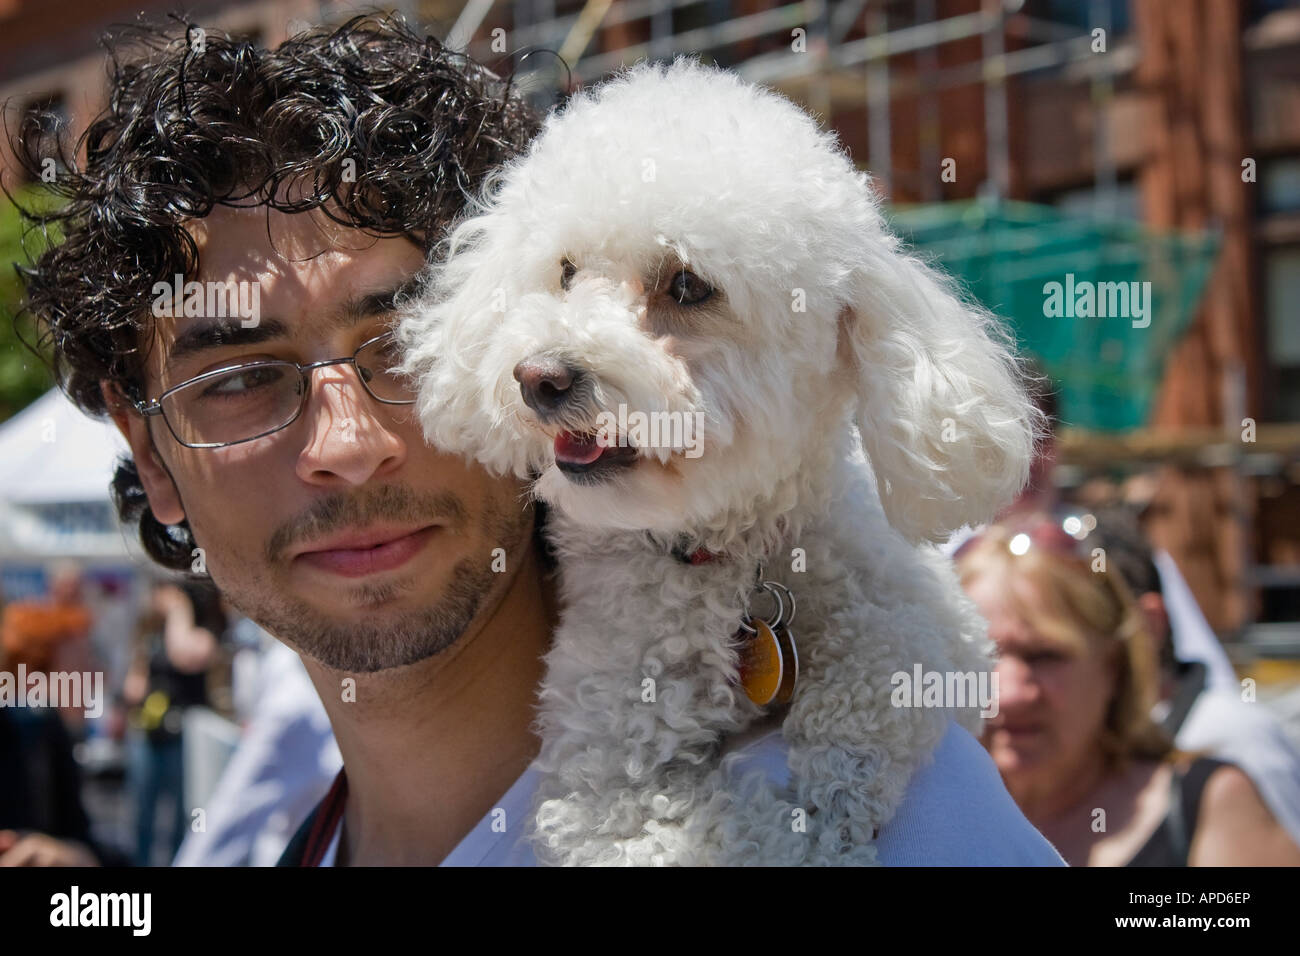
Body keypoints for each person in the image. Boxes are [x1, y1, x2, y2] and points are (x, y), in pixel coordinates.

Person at [15, 14, 1060, 866]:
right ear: (151, 457)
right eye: (239, 378)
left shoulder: (903, 828)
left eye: (397, 346)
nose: (344, 443)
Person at [956, 513, 1300, 866]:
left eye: (1045, 656)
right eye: (981, 657)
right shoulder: (913, 815)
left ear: (1114, 665)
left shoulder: (1211, 806)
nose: (1008, 694)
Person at [124, 579, 223, 865]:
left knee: (185, 817)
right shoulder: (150, 634)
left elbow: (183, 655)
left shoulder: (205, 631)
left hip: (186, 737)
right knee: (143, 817)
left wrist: (179, 611)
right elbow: (134, 686)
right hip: (149, 733)